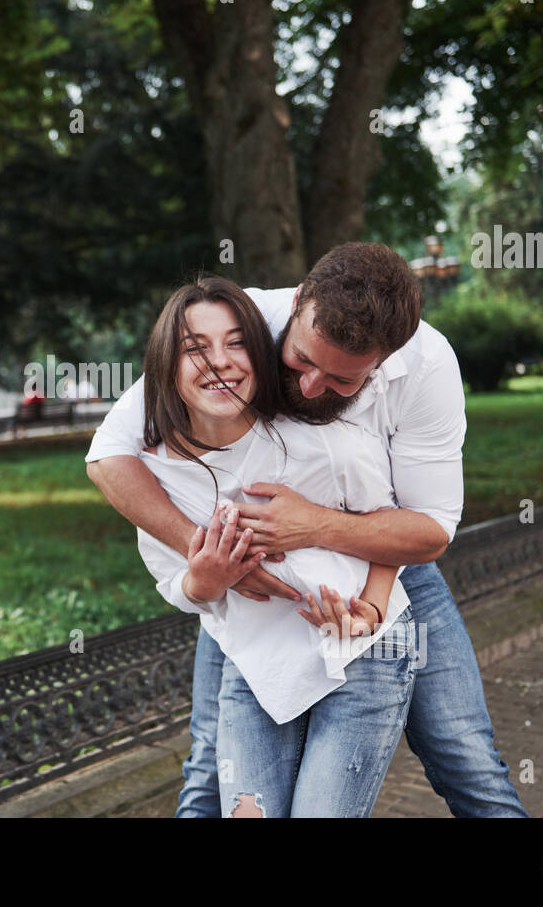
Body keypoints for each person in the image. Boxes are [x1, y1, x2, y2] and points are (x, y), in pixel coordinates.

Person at [86, 242, 526, 818]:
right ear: (296, 306)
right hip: (254, 604)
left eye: (343, 380)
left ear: (383, 360)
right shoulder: (236, 331)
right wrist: (215, 561)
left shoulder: (425, 370)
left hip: (383, 572)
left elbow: (427, 530)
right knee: (207, 774)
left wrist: (327, 543)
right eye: (299, 361)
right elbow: (107, 456)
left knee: (462, 754)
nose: (313, 387)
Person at [134, 276, 417, 816]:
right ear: (166, 362)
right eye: (196, 347)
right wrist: (210, 575)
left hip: (363, 654)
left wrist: (371, 611)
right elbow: (180, 586)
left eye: (237, 342)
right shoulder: (155, 478)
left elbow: (391, 525)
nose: (220, 361)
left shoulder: (316, 440)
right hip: (261, 670)